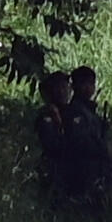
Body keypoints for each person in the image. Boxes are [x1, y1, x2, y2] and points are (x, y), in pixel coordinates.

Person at [69, 66, 112, 199]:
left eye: (91, 83)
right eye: (84, 83)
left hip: (98, 168)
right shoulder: (75, 111)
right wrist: (105, 149)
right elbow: (80, 142)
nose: (88, 88)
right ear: (74, 85)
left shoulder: (90, 112)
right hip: (84, 168)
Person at [35, 71, 78, 202]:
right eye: (59, 88)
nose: (63, 92)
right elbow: (53, 145)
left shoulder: (72, 112)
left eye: (65, 87)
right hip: (54, 168)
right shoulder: (47, 115)